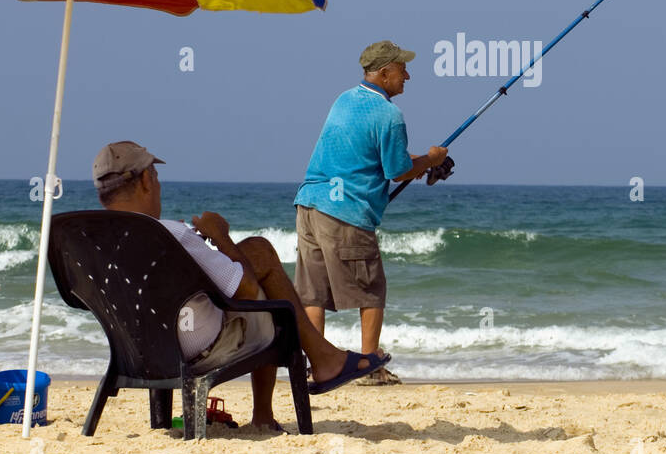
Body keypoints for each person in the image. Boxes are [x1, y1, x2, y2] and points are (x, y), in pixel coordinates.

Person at [92, 141, 389, 430]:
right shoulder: (171, 234)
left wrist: (191, 250)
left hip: (135, 352)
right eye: (156, 178)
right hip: (199, 350)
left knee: (254, 256)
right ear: (147, 179)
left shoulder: (98, 242)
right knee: (262, 279)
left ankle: (323, 359)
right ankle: (302, 379)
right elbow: (244, 289)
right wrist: (219, 237)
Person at [293, 41, 449, 385]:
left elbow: (367, 158)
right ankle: (370, 367)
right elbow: (397, 169)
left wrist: (416, 165)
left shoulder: (343, 99)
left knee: (313, 293)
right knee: (372, 289)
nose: (407, 75)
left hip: (308, 203)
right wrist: (432, 159)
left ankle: (315, 366)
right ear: (384, 73)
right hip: (344, 210)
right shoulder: (389, 114)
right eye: (401, 69)